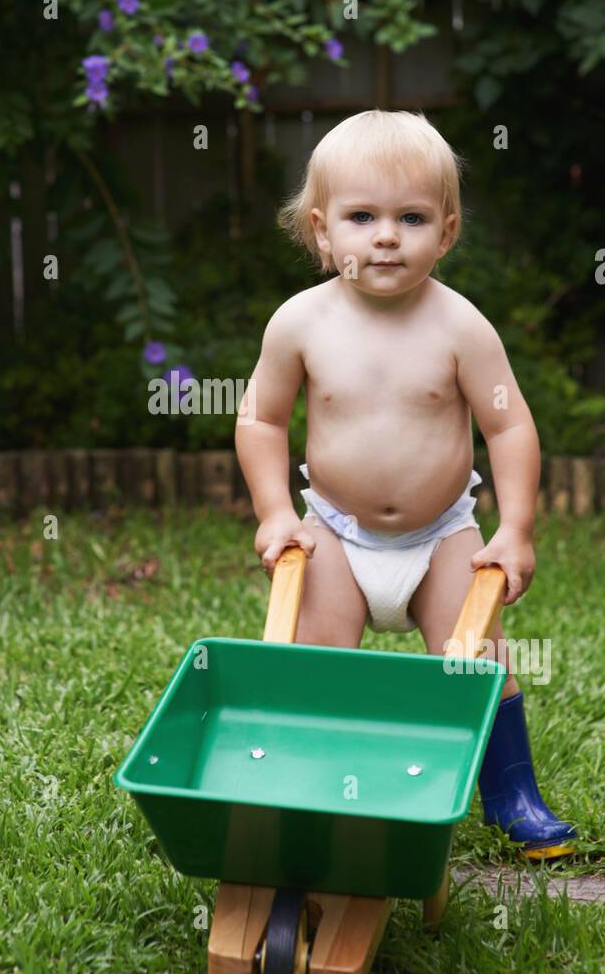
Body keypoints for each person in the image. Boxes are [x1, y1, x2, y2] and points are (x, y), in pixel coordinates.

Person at [234, 109, 575, 857]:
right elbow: (260, 418)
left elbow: (508, 426)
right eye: (362, 216)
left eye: (410, 217)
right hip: (335, 531)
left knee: (475, 662)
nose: (385, 235)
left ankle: (510, 793)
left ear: (445, 233)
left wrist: (513, 528)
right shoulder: (299, 324)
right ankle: (320, 782)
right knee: (316, 660)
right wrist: (272, 513)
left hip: (440, 534)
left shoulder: (459, 328)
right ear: (322, 233)